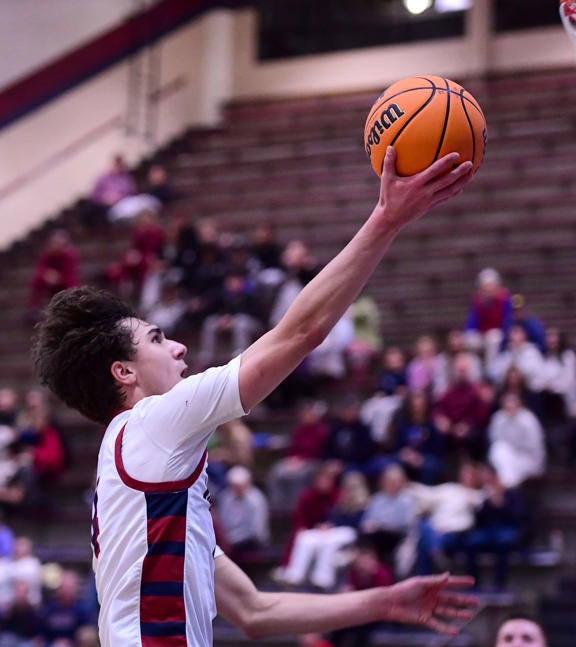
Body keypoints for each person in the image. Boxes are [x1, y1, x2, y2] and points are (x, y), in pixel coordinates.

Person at [32, 147, 477, 645]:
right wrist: (386, 220)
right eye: (157, 339)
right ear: (124, 373)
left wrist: (384, 601)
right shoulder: (151, 425)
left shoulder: (152, 486)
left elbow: (254, 610)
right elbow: (299, 334)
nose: (178, 346)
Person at [283, 471, 369, 590]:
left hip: (350, 532)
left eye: (353, 486)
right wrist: (325, 525)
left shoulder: (364, 503)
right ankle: (294, 575)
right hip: (334, 531)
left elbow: (359, 524)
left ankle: (323, 578)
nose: (349, 489)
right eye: (347, 486)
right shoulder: (339, 499)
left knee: (330, 541)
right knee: (305, 537)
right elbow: (331, 517)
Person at [412, 462, 485, 575]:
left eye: (470, 474)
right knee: (424, 526)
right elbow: (428, 493)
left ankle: (425, 576)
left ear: (475, 477)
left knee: (424, 542)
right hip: (436, 530)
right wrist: (410, 486)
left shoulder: (477, 495)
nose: (466, 477)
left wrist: (446, 528)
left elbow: (469, 521)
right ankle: (436, 553)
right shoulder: (450, 488)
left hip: (453, 534)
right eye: (464, 473)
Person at [268, 400, 330, 512]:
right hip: (295, 461)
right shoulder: (298, 430)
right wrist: (291, 460)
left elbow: (319, 452)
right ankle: (277, 507)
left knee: (298, 476)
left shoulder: (321, 431)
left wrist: (302, 461)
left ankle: (295, 508)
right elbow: (292, 448)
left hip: (312, 463)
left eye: (308, 413)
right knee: (276, 471)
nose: (305, 416)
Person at [487, 392, 546, 489]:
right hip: (508, 458)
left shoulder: (529, 419)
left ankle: (505, 488)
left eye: (513, 402)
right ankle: (505, 487)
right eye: (507, 402)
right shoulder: (498, 418)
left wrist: (515, 449)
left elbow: (534, 445)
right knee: (499, 450)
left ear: (519, 404)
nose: (510, 405)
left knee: (512, 467)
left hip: (527, 456)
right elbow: (495, 440)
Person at [215, 466, 270, 561]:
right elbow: (221, 520)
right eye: (233, 486)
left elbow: (256, 530)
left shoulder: (256, 500)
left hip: (251, 540)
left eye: (239, 486)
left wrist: (231, 539)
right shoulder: (225, 497)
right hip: (229, 539)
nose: (236, 489)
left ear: (247, 484)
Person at [464, 268, 513, 364]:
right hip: (482, 334)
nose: (488, 289)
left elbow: (508, 320)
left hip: (498, 334)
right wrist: (469, 332)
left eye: (490, 285)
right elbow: (471, 322)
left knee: (493, 338)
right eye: (485, 286)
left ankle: (491, 369)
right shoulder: (478, 301)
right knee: (468, 340)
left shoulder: (504, 299)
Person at [28, 230, 80, 312]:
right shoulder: (47, 255)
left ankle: (73, 300)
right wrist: (47, 274)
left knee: (71, 281)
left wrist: (58, 277)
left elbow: (70, 273)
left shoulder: (69, 255)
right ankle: (34, 307)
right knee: (37, 279)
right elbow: (40, 268)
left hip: (63, 281)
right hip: (51, 281)